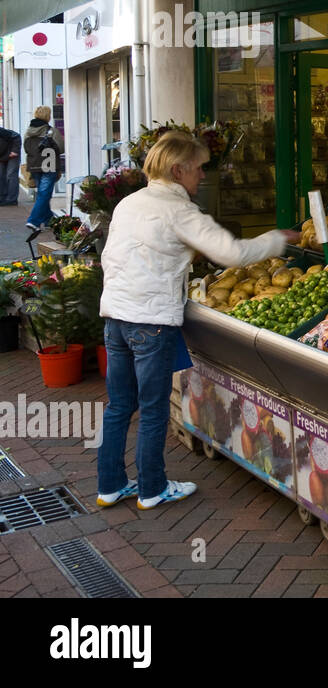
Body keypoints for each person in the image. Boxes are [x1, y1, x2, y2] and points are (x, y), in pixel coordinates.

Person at [96, 131, 300, 511]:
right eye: (199, 168)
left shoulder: (129, 203)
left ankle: (109, 486)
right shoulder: (179, 210)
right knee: (154, 407)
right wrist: (278, 239)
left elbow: (112, 258)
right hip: (150, 322)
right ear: (178, 169)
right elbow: (231, 253)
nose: (203, 176)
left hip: (116, 319)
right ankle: (152, 489)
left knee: (119, 405)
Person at [23, 105, 63, 231]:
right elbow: (61, 148)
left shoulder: (28, 132)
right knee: (44, 195)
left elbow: (26, 149)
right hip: (48, 166)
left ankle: (48, 220)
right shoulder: (51, 131)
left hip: (34, 166)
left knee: (42, 194)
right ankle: (33, 221)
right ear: (47, 116)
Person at [0, 124, 21, 205]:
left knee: (11, 175)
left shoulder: (2, 132)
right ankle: (2, 198)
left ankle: (11, 200)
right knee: (0, 175)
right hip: (1, 155)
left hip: (12, 153)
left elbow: (16, 136)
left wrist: (15, 150)